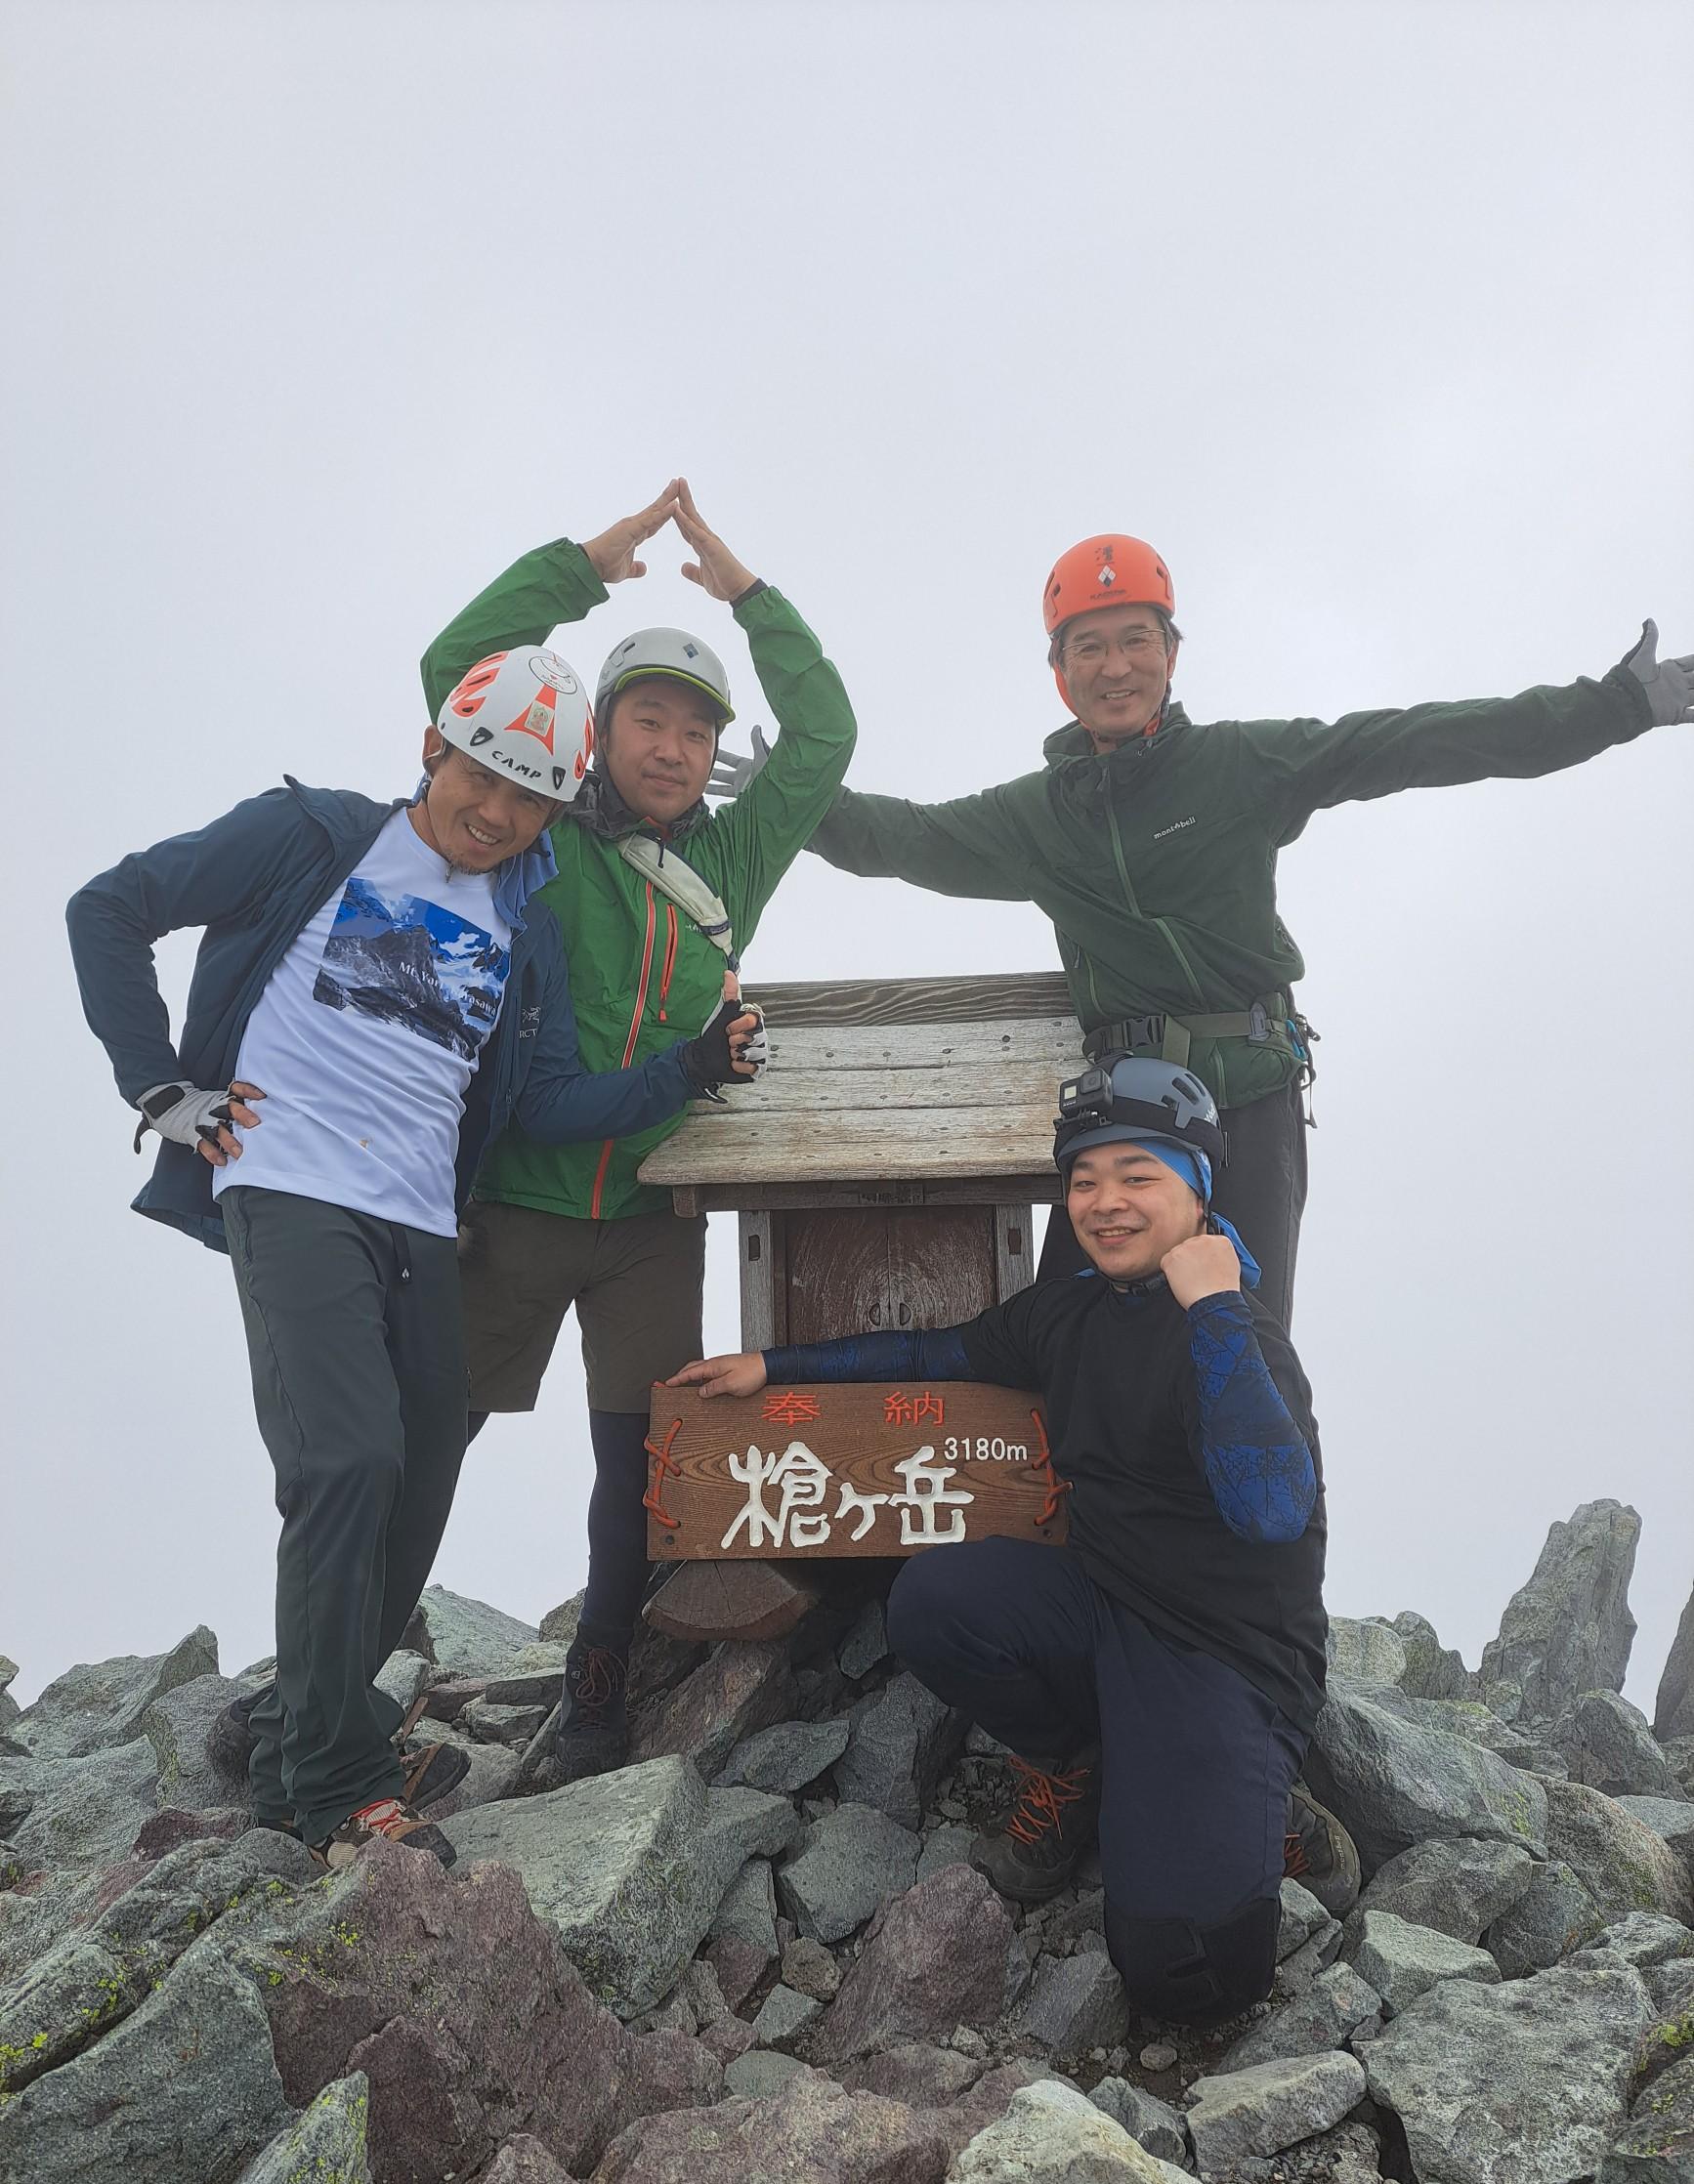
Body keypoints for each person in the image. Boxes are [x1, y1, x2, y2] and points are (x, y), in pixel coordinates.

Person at [66, 640, 758, 1868]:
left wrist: (687, 1069)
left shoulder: (524, 920)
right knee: (344, 1459)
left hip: (423, 1219)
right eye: (476, 775)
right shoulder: (314, 837)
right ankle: (338, 1789)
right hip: (287, 1184)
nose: (492, 812)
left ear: (558, 803)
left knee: (424, 1468)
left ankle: (294, 1732)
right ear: (431, 749)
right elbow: (110, 906)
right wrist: (161, 1083)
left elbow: (540, 1104)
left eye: (527, 794)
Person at [801, 535, 1694, 1325]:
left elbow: (1414, 742)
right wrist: (795, 802)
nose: (1115, 668)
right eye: (1090, 647)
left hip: (1250, 1101)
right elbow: (905, 839)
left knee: (1245, 1344)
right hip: (1128, 1114)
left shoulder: (1240, 764)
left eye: (1136, 640)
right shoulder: (1036, 819)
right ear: (1060, 672)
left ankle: (1255, 1520)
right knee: (1076, 1343)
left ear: (1172, 653)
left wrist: (1613, 707)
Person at [668, 1055, 1359, 2029]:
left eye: (1138, 1175)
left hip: (1227, 1655)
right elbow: (927, 1350)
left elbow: (1272, 1510)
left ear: (1197, 1188)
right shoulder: (1069, 1310)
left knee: (1181, 1970)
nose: (1105, 1201)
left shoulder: (1237, 1333)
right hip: (1106, 1603)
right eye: (1084, 1179)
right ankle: (1075, 1763)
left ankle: (1272, 1804)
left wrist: (1210, 1306)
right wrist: (772, 1362)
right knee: (937, 1600)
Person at [420, 480, 856, 1784]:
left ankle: (598, 1685)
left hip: (649, 1223)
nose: (668, 747)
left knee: (641, 1464)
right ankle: (344, 1667)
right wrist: (580, 567)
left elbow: (824, 734)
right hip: (513, 1201)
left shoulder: (727, 864)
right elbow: (457, 678)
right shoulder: (535, 838)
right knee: (424, 1435)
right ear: (599, 733)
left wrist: (741, 592)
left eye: (690, 728)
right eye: (644, 720)